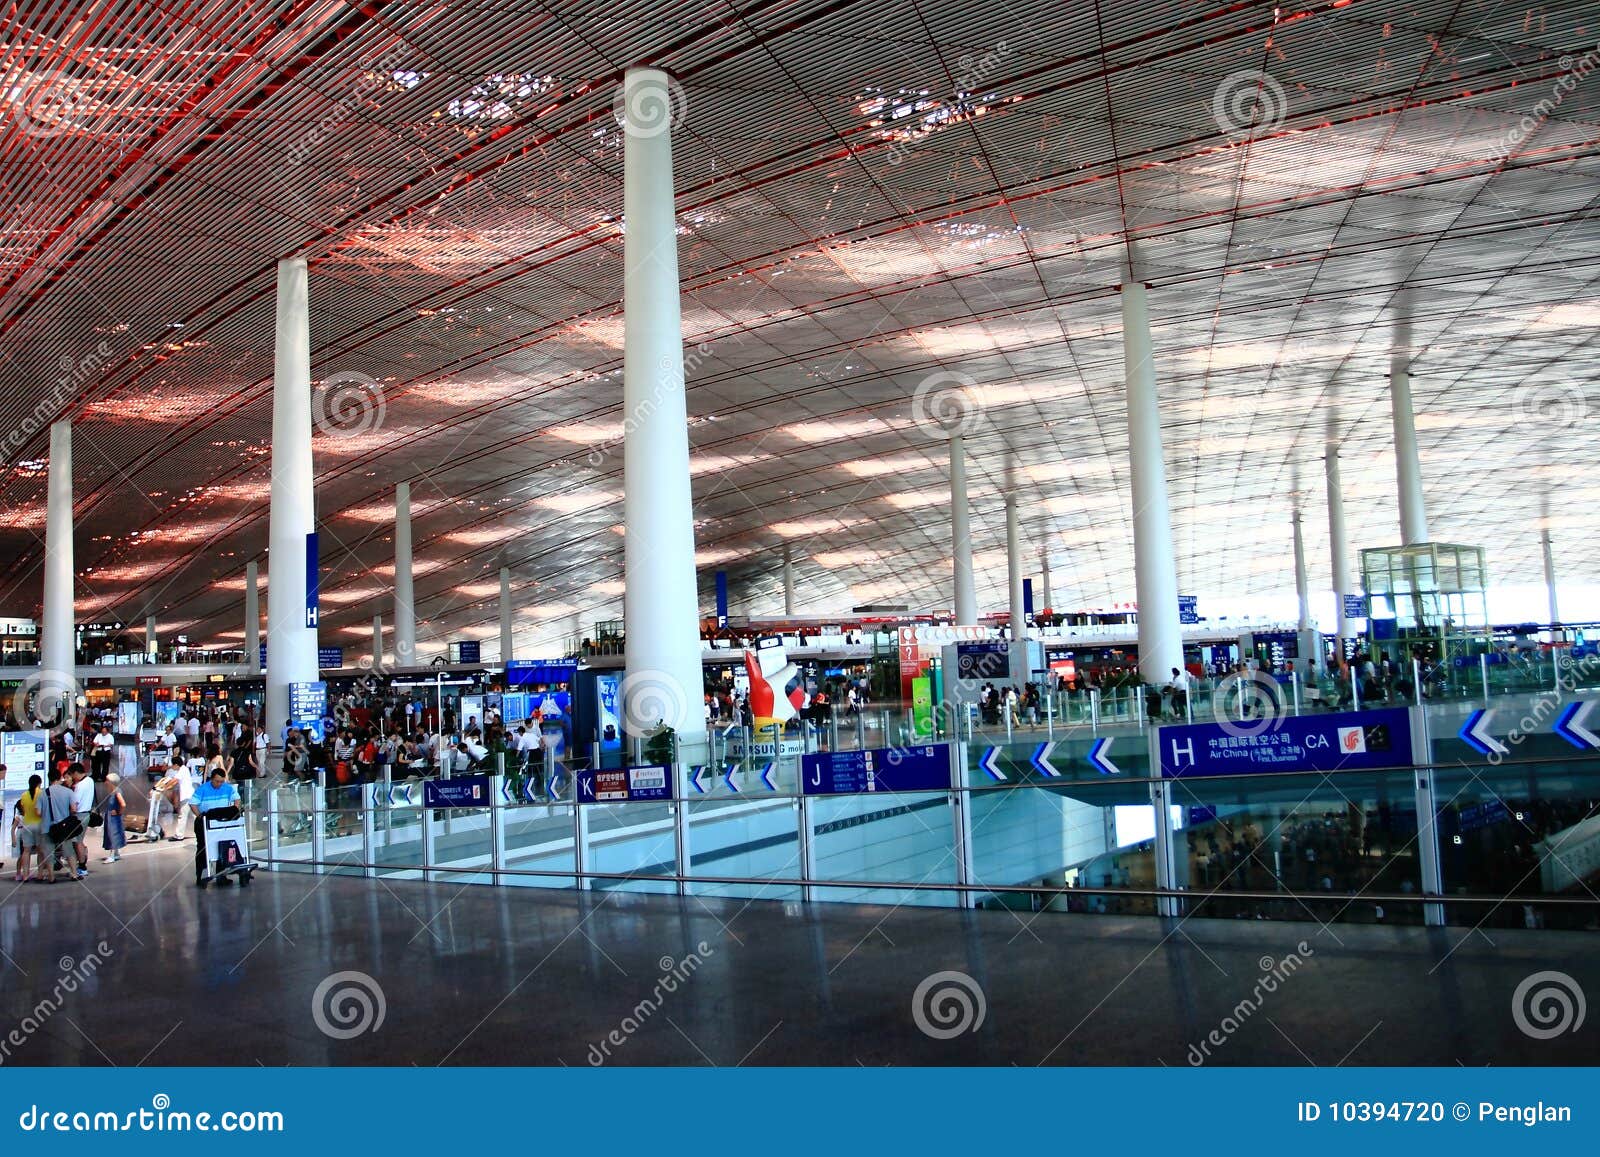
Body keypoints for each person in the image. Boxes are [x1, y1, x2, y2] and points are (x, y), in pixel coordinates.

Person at [190, 764, 242, 888]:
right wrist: (199, 816)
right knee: (202, 848)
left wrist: (236, 808)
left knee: (222, 847)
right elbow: (193, 804)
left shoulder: (227, 788)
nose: (219, 784)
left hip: (220, 823)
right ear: (211, 779)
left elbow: (237, 799)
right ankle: (201, 876)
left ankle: (221, 876)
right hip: (204, 821)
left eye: (221, 782)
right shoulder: (202, 789)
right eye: (217, 781)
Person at [37, 767, 81, 884]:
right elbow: (74, 809)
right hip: (64, 828)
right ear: (59, 778)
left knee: (48, 853)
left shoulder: (42, 794)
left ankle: (51, 876)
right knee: (69, 851)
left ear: (49, 779)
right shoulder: (68, 791)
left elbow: (38, 812)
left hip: (47, 828)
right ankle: (74, 873)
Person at [14, 774, 43, 882]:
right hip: (39, 824)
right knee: (40, 851)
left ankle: (25, 875)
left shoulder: (24, 795)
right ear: (39, 783)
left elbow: (23, 810)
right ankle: (40, 874)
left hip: (26, 825)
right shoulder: (41, 793)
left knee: (26, 851)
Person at [101, 772, 127, 863]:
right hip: (111, 817)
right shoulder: (113, 791)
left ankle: (112, 855)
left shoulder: (117, 792)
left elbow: (123, 804)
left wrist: (118, 812)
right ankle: (116, 854)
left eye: (107, 781)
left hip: (114, 819)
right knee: (112, 834)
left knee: (113, 835)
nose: (105, 782)